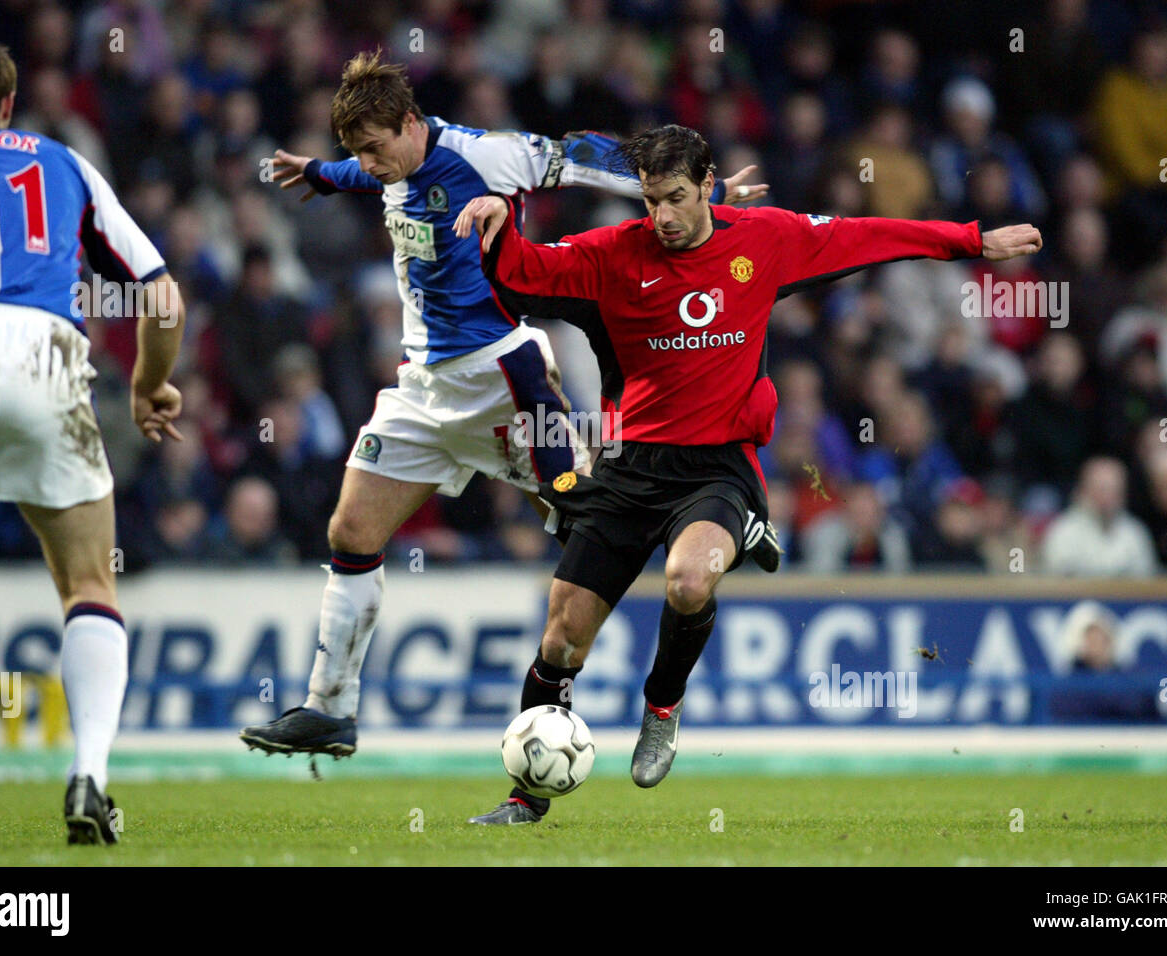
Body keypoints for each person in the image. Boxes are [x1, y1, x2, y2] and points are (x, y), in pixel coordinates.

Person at [453, 123, 1042, 824]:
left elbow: (869, 234)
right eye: (649, 201)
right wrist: (498, 224)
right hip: (629, 466)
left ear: (708, 185)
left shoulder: (764, 239)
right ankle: (527, 798)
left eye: (675, 198)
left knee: (689, 578)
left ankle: (661, 706)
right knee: (560, 642)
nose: (662, 217)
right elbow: (526, 274)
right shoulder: (614, 253)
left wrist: (971, 241)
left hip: (717, 466)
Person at [238, 51, 769, 761]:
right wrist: (318, 173)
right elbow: (356, 176)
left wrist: (705, 200)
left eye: (373, 149)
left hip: (498, 377)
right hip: (421, 391)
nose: (367, 164)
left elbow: (578, 157)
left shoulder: (486, 156)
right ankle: (330, 710)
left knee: (593, 513)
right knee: (351, 531)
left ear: (410, 124)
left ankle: (728, 514)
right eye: (355, 153)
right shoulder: (383, 165)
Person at [0, 33, 184, 844]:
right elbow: (161, 295)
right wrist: (148, 387)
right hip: (48, 355)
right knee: (88, 580)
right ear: (8, 105)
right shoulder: (63, 162)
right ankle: (90, 781)